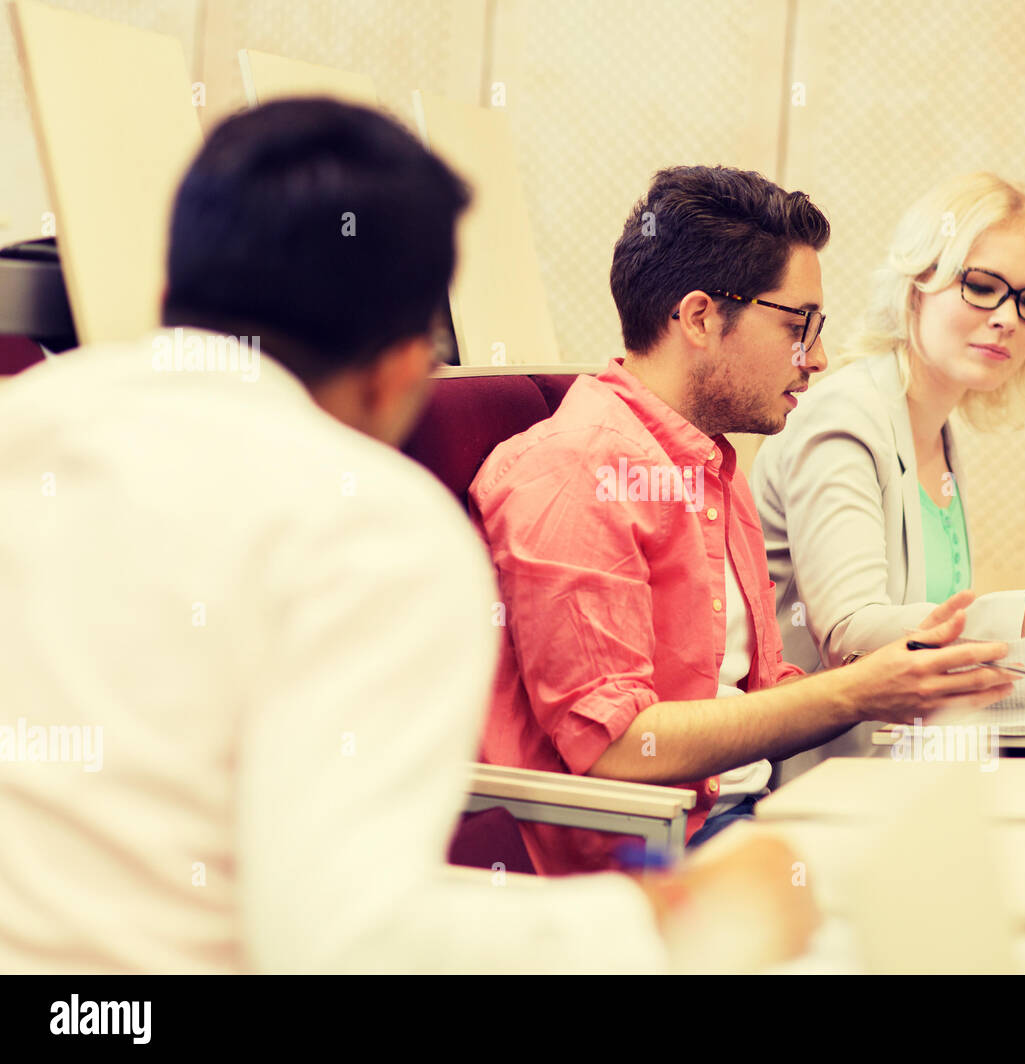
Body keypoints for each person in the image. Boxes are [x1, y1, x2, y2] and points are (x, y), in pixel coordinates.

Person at [0, 99, 813, 974]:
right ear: (403, 367)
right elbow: (347, 940)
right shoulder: (373, 532)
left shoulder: (26, 420)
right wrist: (664, 925)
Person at [471, 165, 1018, 875]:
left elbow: (749, 701)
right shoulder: (578, 469)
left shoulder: (710, 462)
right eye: (799, 327)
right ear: (699, 318)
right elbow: (614, 747)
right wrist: (854, 690)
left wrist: (902, 680)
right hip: (647, 858)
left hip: (746, 821)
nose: (818, 358)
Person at [748, 172, 1025, 779]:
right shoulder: (846, 412)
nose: (1007, 319)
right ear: (916, 286)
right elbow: (852, 635)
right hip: (808, 784)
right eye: (981, 286)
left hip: (900, 773)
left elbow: (928, 641)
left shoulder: (937, 429)